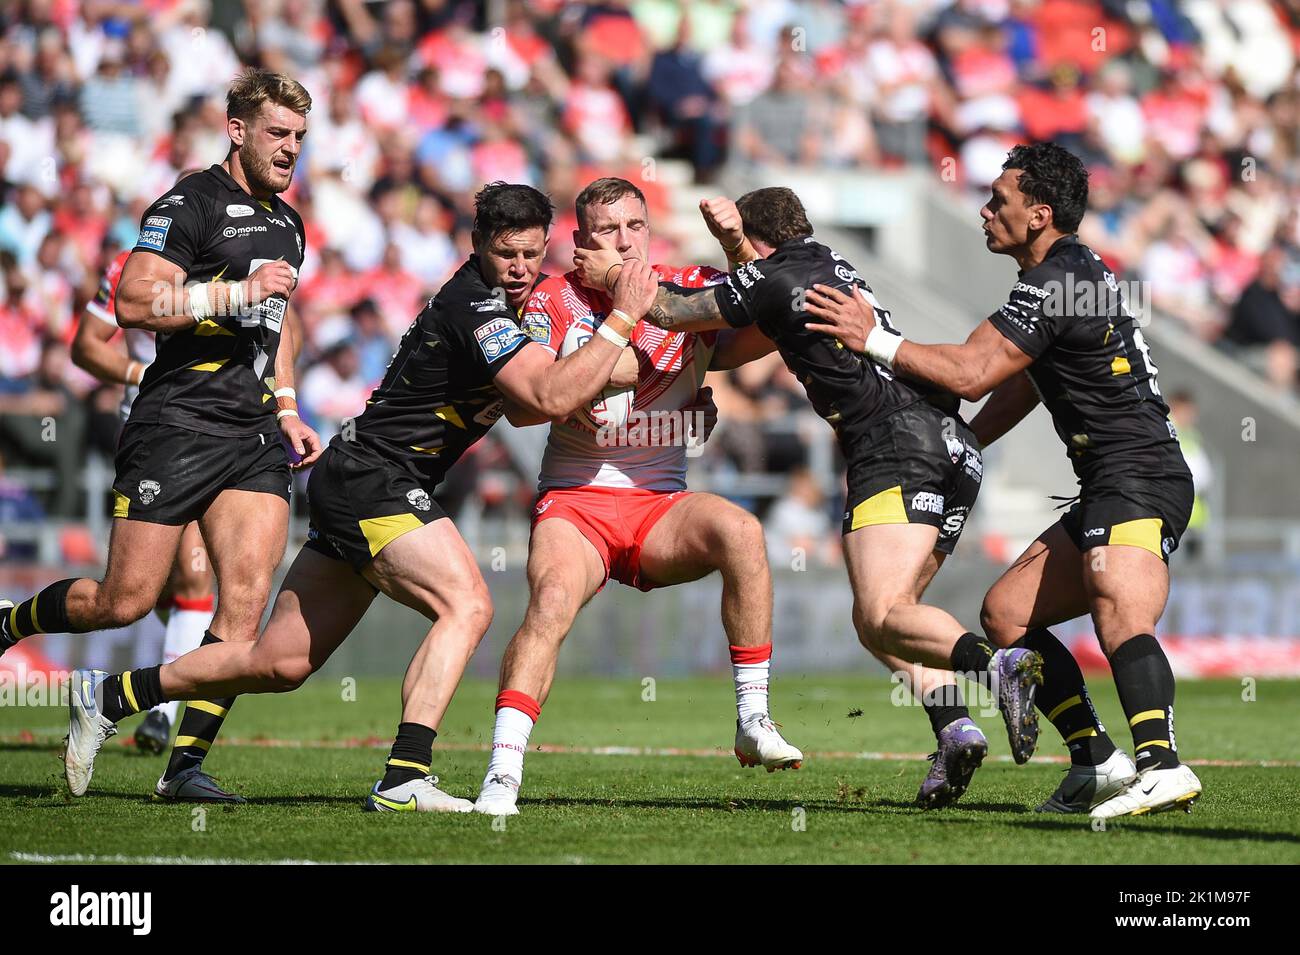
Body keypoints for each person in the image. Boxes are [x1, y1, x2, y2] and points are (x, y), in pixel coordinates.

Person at [63, 182, 665, 813]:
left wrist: (595, 356)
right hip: (373, 480)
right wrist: (623, 323)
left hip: (360, 478)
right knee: (468, 604)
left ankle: (107, 697)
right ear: (477, 244)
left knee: (279, 663)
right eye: (505, 254)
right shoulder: (478, 305)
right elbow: (543, 399)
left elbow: (522, 409)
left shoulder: (522, 303)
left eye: (531, 255)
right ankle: (405, 775)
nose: (518, 270)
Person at [573, 187, 1044, 809]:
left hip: (892, 448)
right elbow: (759, 284)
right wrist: (732, 241)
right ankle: (955, 728)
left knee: (881, 614)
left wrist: (611, 274)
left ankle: (998, 669)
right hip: (952, 446)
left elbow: (670, 311)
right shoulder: (822, 259)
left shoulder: (775, 277)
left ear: (757, 236)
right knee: (884, 620)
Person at [804, 142, 1201, 818]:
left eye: (999, 201)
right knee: (1007, 614)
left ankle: (1161, 762)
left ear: (1039, 213)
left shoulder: (1053, 280)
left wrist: (874, 339)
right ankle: (1094, 758)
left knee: (1119, 607)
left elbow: (970, 370)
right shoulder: (1064, 274)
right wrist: (970, 437)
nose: (986, 212)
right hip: (1112, 477)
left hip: (1139, 473)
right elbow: (1024, 379)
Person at [1, 68, 322, 803]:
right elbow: (134, 298)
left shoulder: (288, 222)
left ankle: (184, 768)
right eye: (278, 133)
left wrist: (291, 405)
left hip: (253, 430)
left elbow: (283, 325)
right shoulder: (189, 202)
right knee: (124, 600)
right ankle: (9, 622)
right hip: (176, 420)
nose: (290, 150)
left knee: (242, 607)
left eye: (300, 138)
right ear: (236, 129)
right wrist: (235, 291)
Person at [473, 177, 802, 817]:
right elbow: (528, 408)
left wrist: (736, 244)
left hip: (659, 505)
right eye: (607, 231)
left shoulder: (684, 283)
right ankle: (501, 776)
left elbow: (770, 307)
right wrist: (630, 340)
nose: (625, 242)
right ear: (580, 244)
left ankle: (753, 719)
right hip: (577, 499)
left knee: (742, 532)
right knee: (551, 603)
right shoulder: (550, 299)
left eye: (635, 227)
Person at [70, 201, 215, 755]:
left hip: (210, 433)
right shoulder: (129, 269)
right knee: (148, 592)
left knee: (194, 576)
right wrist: (142, 372)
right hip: (150, 430)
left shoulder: (231, 268)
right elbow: (84, 346)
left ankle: (160, 713)